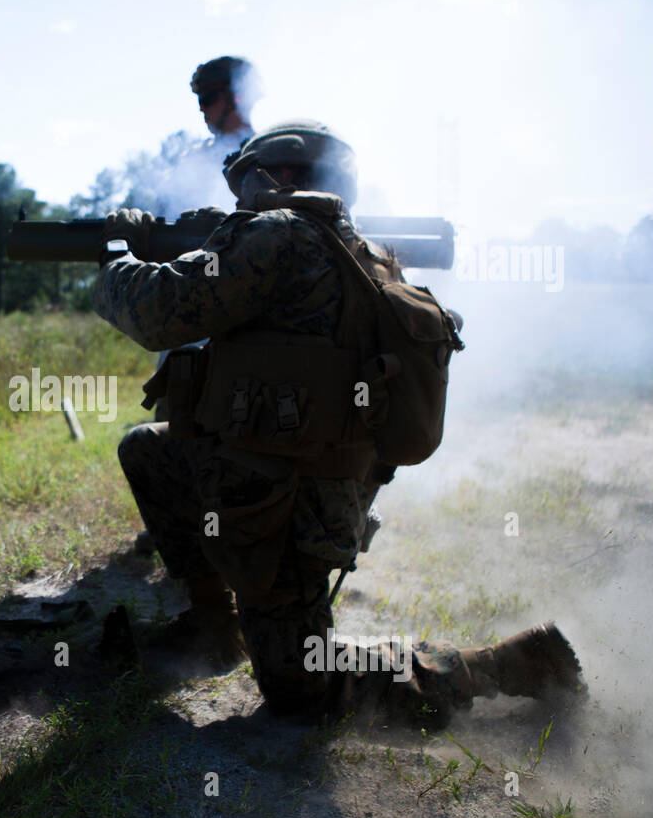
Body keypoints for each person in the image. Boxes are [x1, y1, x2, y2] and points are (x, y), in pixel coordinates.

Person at [93, 120, 587, 728]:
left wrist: (117, 253)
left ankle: (515, 665)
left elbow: (158, 313)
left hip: (285, 504)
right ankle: (213, 628)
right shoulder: (356, 249)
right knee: (150, 449)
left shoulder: (281, 237)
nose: (238, 198)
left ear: (282, 175)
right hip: (293, 478)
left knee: (304, 694)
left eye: (245, 181)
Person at [147, 56, 261, 218]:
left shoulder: (266, 153)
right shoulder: (193, 159)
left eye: (207, 98)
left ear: (235, 96)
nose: (201, 108)